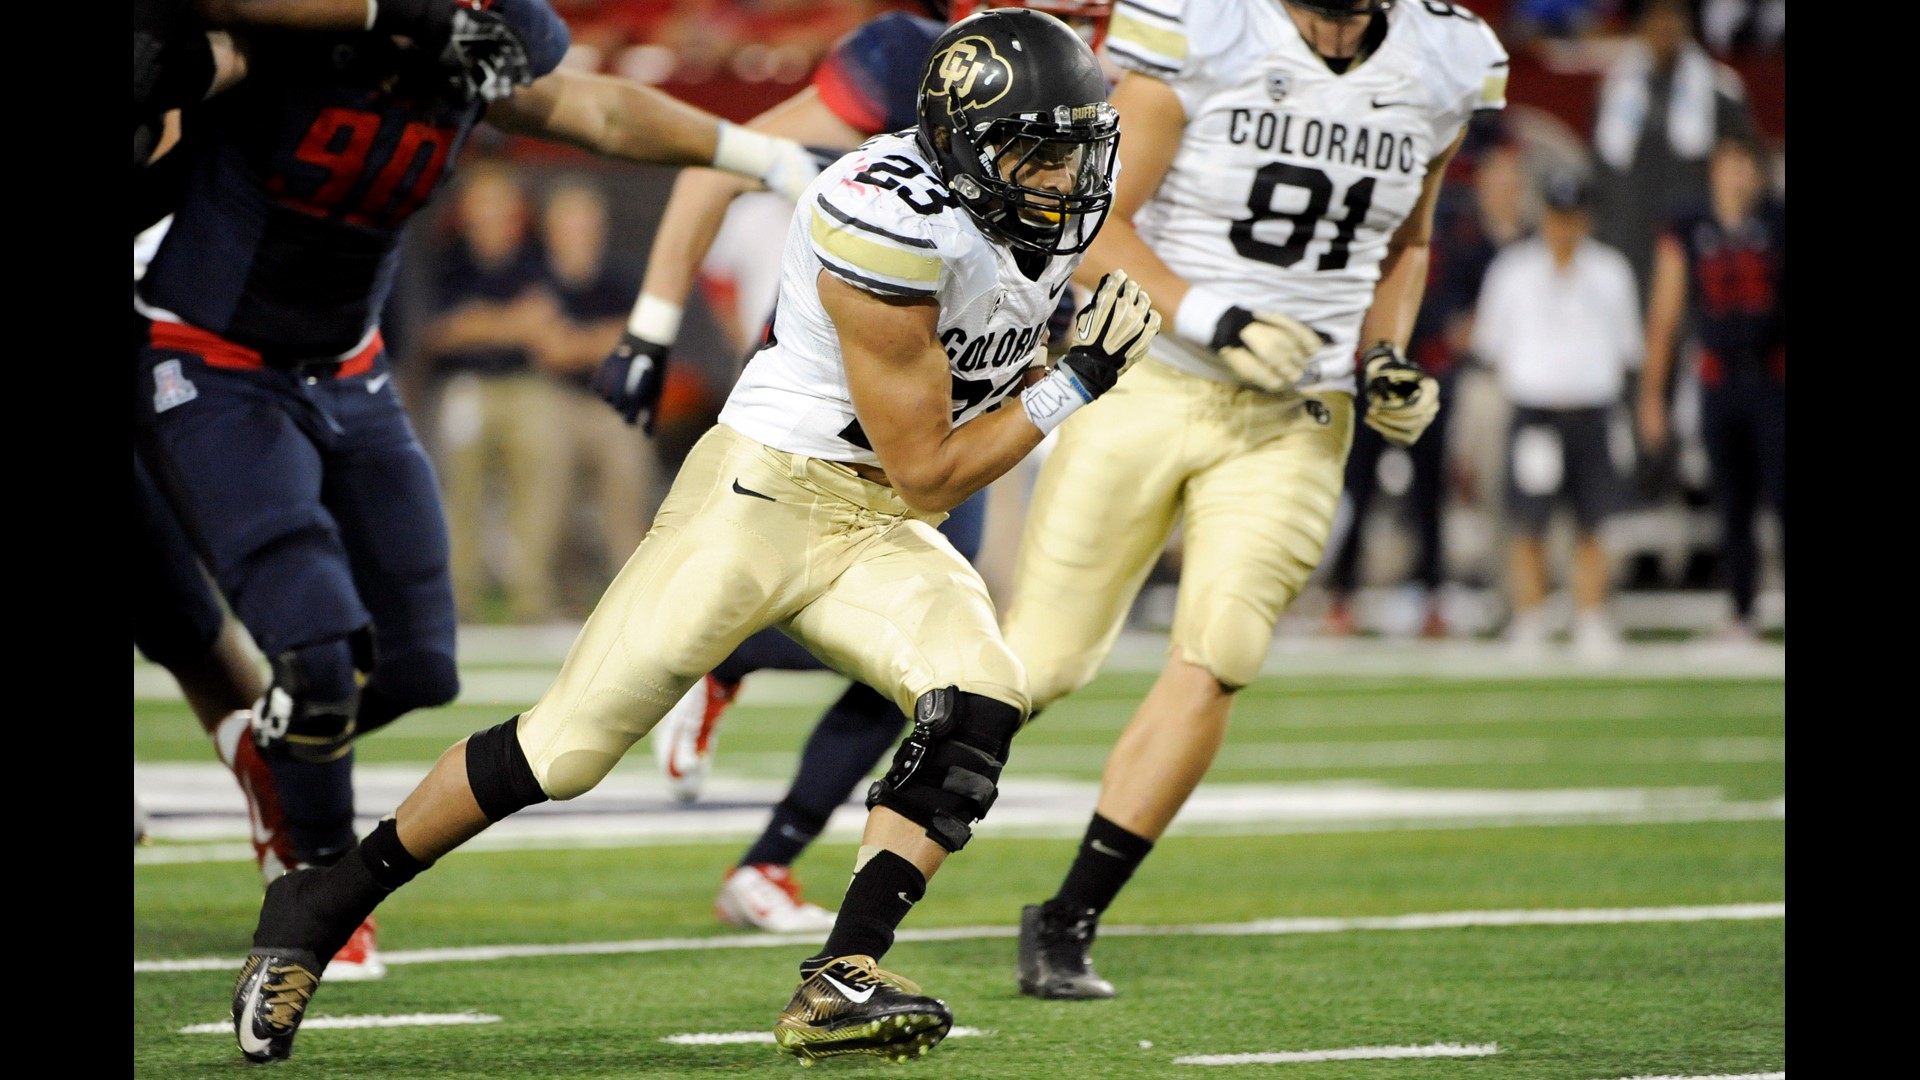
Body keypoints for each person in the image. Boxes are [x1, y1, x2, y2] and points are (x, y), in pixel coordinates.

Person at [229, 8, 1152, 1065]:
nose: (1060, 177)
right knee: (564, 749)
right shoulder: (884, 217)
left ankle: (841, 974)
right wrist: (1075, 381)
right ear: (963, 148)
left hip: (878, 520)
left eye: (1072, 149)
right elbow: (931, 465)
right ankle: (320, 899)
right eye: (1035, 153)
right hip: (766, 497)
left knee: (983, 695)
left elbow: (962, 406)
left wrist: (1052, 366)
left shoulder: (1042, 209)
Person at [130, 0, 826, 1019]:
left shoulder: (476, 47)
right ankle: (313, 887)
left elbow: (597, 109)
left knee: (421, 664)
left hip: (350, 364)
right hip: (215, 356)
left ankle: (269, 747)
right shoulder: (278, 35)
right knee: (317, 656)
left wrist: (763, 157)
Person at [1001, 0, 1508, 1000]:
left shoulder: (1447, 59)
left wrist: (1387, 356)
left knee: (1223, 648)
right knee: (1036, 664)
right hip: (1149, 371)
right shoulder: (1206, 24)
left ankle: (1068, 922)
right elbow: (1096, 221)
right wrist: (1214, 314)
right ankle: (869, 902)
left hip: (1297, 407)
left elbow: (1407, 242)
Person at [595, 0, 1111, 933]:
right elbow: (726, 159)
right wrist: (653, 320)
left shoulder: (1087, 94)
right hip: (840, 400)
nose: (1086, 15)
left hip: (963, 392)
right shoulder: (905, 58)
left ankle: (767, 862)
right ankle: (721, 659)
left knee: (932, 672)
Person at [1320, 116, 1515, 640]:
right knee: (1356, 485)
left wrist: (1463, 330)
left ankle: (1431, 597)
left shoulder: (1457, 216)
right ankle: (1342, 596)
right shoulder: (1369, 208)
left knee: (1428, 491)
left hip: (1428, 368)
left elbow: (1490, 280)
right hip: (1374, 365)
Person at [1471, 170, 1643, 661]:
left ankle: (1589, 616)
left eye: (1572, 217)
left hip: (1592, 409)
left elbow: (1629, 348)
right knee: (1528, 521)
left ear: (1585, 219)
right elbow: (1490, 346)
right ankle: (1531, 616)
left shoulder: (1610, 272)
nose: (1564, 227)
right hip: (1535, 412)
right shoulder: (1512, 270)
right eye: (1556, 216)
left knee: (1596, 518)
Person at [1636, 134, 1783, 643]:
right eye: (1730, 164)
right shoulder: (1690, 224)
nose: (1739, 175)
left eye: (1747, 164)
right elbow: (1666, 311)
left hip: (1774, 378)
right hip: (1719, 380)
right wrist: (1652, 394)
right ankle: (1742, 612)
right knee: (1732, 503)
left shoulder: (1776, 221)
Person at [416, 161, 562, 623]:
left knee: (541, 465)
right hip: (466, 384)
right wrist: (506, 324)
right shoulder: (448, 254)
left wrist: (479, 323)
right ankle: (460, 596)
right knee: (460, 482)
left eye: (501, 200)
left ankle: (530, 594)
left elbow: (544, 326)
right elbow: (438, 332)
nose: (493, 210)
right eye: (484, 199)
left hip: (524, 383)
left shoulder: (533, 253)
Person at [525, 173, 658, 618]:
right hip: (552, 398)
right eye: (571, 220)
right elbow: (542, 348)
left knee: (626, 475)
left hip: (609, 401)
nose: (581, 230)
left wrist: (575, 343)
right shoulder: (533, 273)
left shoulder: (619, 274)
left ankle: (630, 597)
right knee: (548, 479)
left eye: (588, 221)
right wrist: (595, 341)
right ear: (552, 226)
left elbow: (639, 335)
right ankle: (546, 600)